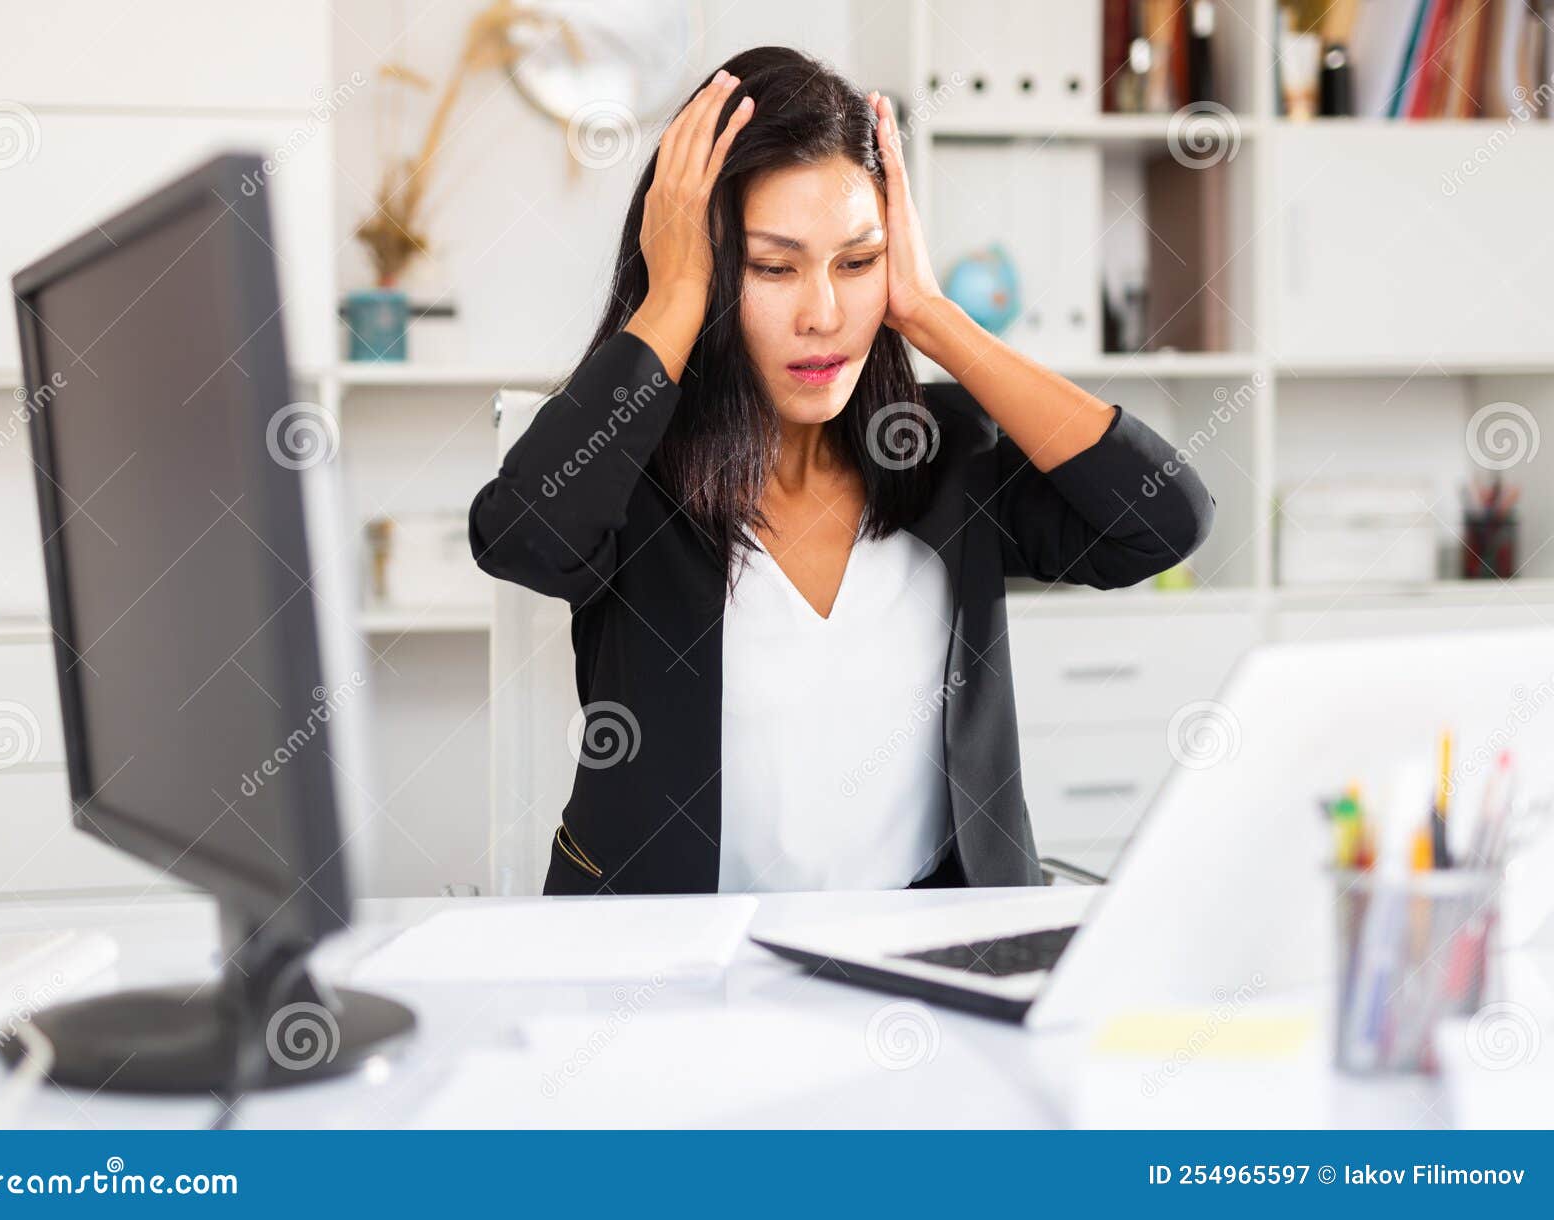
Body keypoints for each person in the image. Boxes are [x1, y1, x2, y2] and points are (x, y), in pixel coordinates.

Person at [469, 46, 1215, 896]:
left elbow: (1165, 522)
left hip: (922, 960)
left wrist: (935, 319)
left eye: (857, 263)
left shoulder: (941, 458)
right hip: (675, 969)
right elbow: (523, 536)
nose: (822, 315)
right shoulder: (631, 471)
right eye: (772, 267)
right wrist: (671, 299)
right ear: (707, 268)